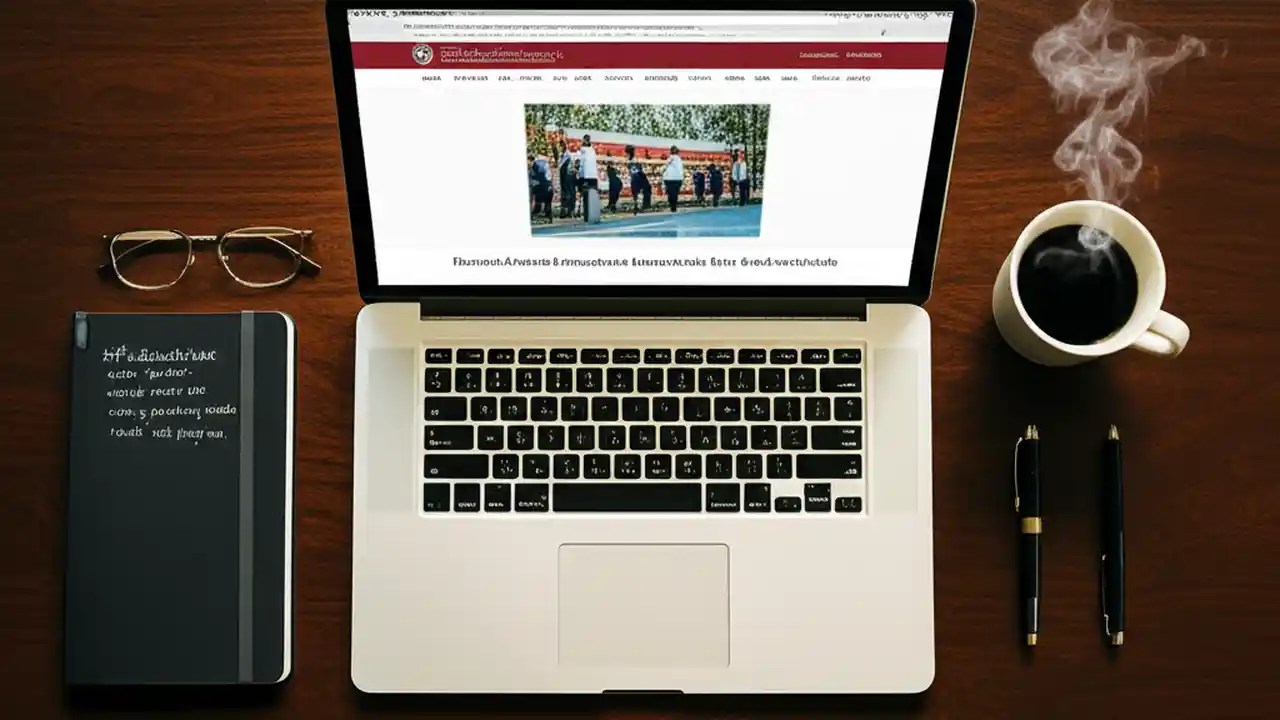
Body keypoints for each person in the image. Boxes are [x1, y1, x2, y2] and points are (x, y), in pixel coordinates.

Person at [577, 134, 599, 220]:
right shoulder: (592, 150)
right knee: (592, 196)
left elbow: (579, 162)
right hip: (593, 176)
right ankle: (592, 214)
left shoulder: (582, 151)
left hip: (585, 176)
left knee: (584, 196)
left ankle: (584, 214)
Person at [625, 144, 651, 214]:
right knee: (646, 189)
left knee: (636, 193)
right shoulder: (634, 158)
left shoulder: (628, 158)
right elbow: (638, 167)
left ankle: (637, 207)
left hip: (634, 177)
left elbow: (631, 168)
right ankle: (644, 206)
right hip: (639, 176)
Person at [529, 154, 553, 221]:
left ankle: (540, 212)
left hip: (543, 185)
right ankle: (546, 212)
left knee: (539, 195)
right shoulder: (541, 163)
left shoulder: (538, 165)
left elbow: (538, 177)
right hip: (547, 185)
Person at [662, 145, 684, 213]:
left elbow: (665, 166)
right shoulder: (679, 159)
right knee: (675, 194)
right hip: (678, 179)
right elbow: (681, 170)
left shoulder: (671, 157)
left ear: (671, 151)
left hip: (670, 179)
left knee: (671, 194)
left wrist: (662, 171)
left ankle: (672, 207)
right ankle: (674, 207)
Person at [557, 142, 577, 218]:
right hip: (564, 177)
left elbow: (570, 168)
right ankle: (565, 211)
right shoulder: (562, 156)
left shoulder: (568, 156)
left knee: (569, 194)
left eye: (559, 147)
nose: (558, 149)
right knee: (564, 194)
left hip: (568, 177)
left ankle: (569, 211)